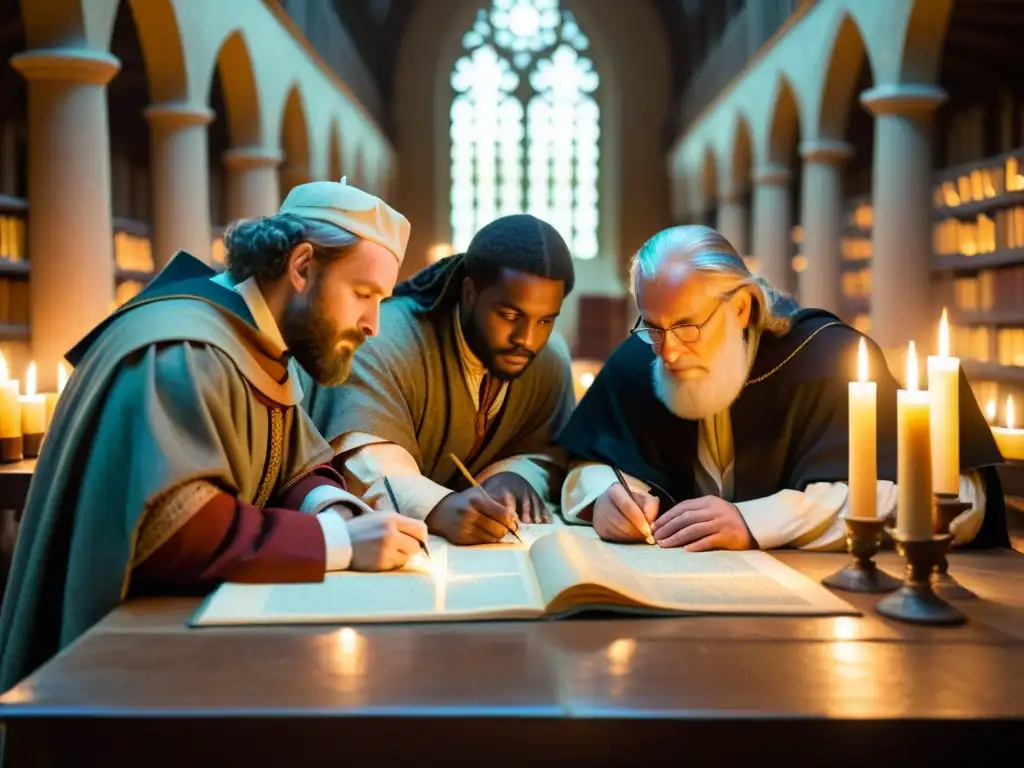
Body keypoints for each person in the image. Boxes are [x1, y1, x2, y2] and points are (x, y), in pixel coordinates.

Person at [0, 179, 428, 690]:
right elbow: (174, 532)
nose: (373, 324)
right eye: (363, 294)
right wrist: (339, 540)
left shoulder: (258, 338)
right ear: (302, 267)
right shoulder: (183, 348)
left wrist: (330, 505)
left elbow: (289, 463)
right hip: (114, 664)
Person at [558, 225, 1008, 551]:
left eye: (687, 326)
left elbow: (960, 502)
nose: (668, 352)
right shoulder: (643, 359)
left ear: (740, 309)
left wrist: (755, 521)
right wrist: (603, 497)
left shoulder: (828, 359)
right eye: (653, 327)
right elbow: (586, 461)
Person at [301, 214, 577, 545]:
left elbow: (550, 449)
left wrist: (514, 473)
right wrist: (438, 507)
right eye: (509, 315)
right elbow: (365, 458)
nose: (527, 339)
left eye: (545, 320)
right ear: (470, 292)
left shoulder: (550, 357)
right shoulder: (383, 338)